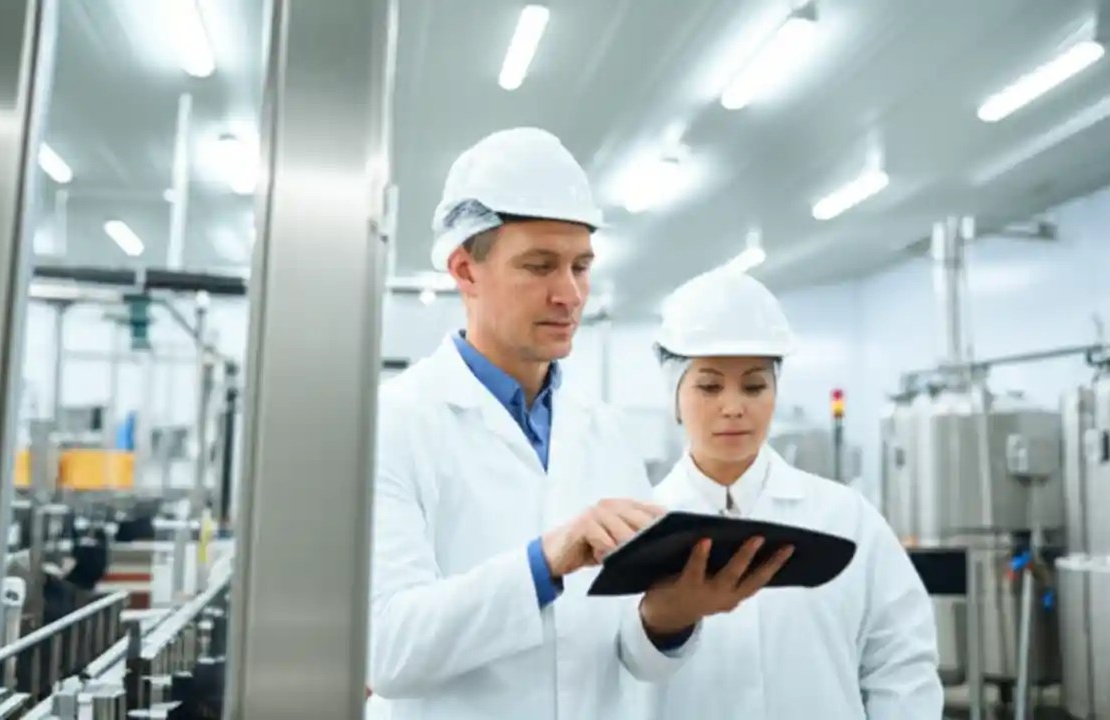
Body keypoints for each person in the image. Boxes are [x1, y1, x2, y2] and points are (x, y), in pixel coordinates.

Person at [366, 128, 791, 720]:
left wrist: (671, 615)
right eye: (540, 266)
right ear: (466, 271)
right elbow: (386, 649)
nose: (569, 294)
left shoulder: (604, 432)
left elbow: (632, 657)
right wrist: (545, 561)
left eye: (581, 266)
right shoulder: (395, 423)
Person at [649, 266, 943, 719]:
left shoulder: (846, 520)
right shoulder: (643, 528)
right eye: (709, 386)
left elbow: (901, 666)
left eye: (754, 386)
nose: (733, 406)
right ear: (674, 393)